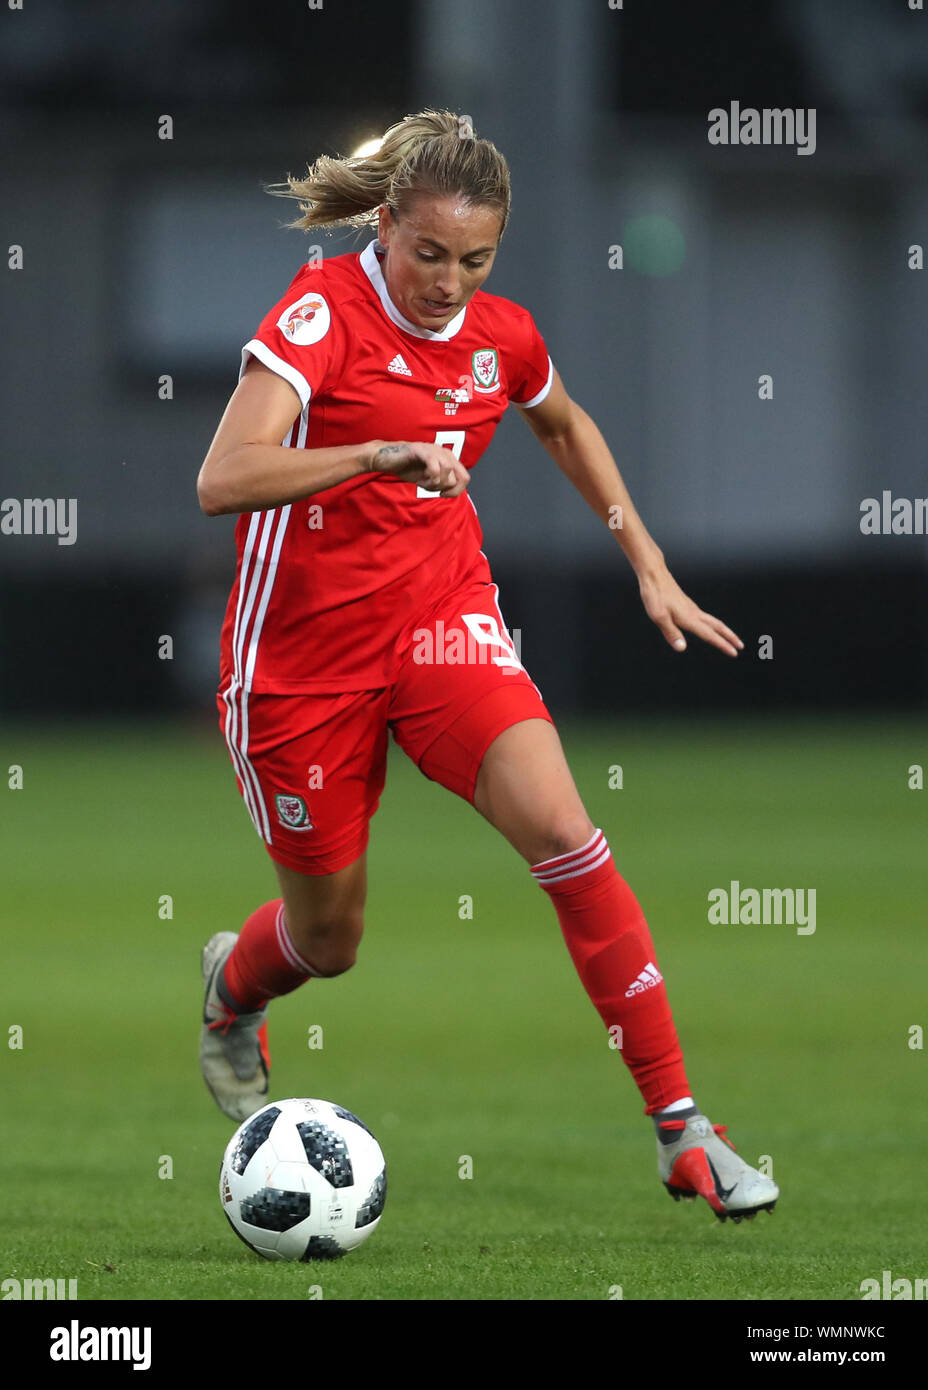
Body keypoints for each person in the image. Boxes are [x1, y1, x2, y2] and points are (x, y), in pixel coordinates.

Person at [196, 109, 778, 1224]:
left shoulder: (497, 336)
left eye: (474, 260)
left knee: (567, 834)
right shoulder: (319, 316)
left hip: (438, 624)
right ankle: (233, 986)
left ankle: (682, 1130)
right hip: (299, 662)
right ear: (384, 225)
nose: (448, 282)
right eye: (427, 254)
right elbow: (223, 477)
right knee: (329, 939)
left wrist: (646, 561)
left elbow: (561, 422)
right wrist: (372, 452)